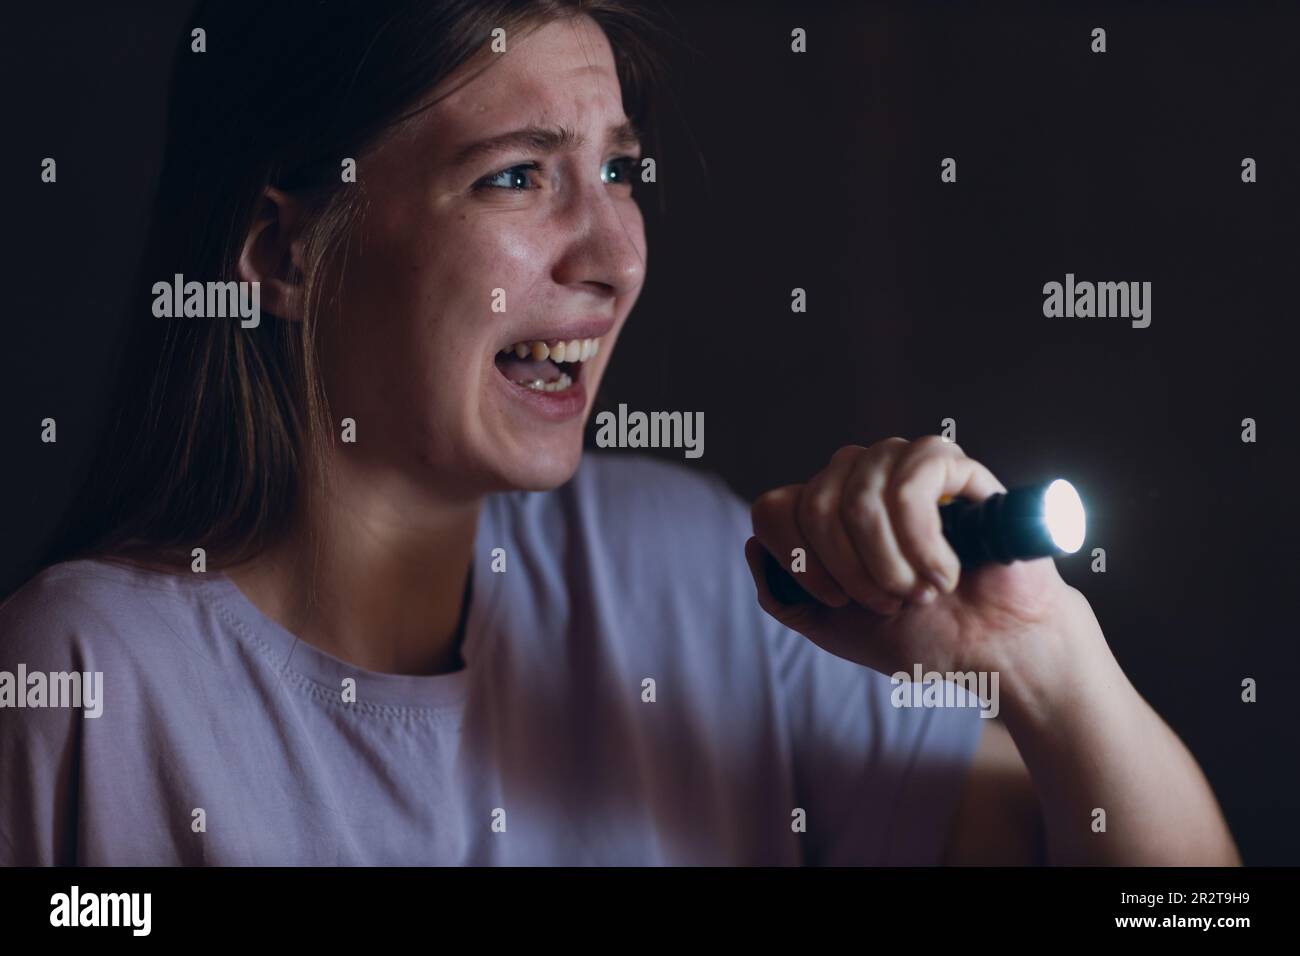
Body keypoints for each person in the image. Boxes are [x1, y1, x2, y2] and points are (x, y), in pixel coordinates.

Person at [0, 0, 1239, 866]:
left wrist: (1040, 662)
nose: (613, 257)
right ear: (282, 251)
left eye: (621, 171)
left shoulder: (693, 567)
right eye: (516, 177)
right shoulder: (89, 679)